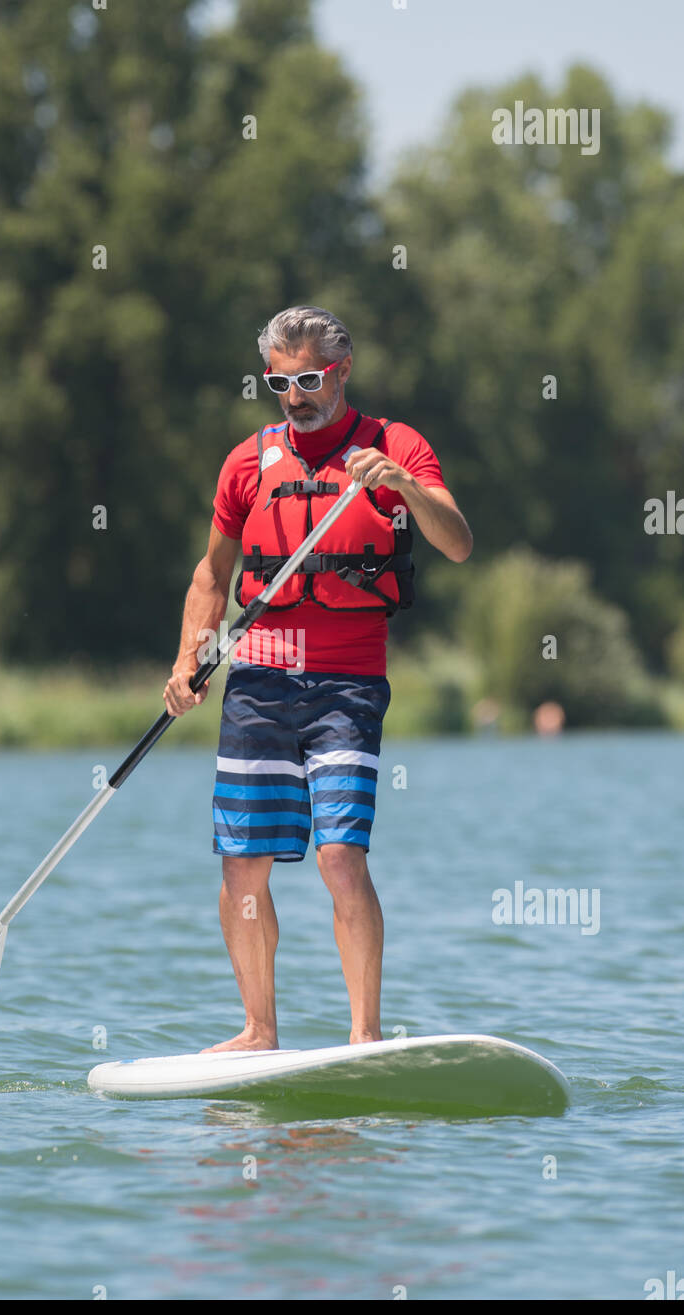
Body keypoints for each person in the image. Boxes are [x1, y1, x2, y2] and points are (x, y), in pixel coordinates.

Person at [163, 306, 472, 1052]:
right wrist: (187, 659)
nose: (294, 395)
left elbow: (458, 543)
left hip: (349, 683)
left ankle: (364, 1036)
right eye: (279, 381)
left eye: (308, 378)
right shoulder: (247, 461)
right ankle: (257, 1031)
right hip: (260, 680)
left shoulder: (395, 446)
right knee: (243, 867)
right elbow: (213, 573)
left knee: (340, 855)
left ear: (342, 370)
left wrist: (403, 484)